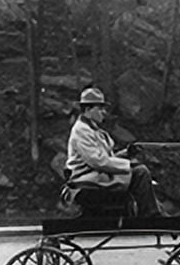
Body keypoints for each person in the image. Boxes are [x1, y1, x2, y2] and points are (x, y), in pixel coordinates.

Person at [64, 87, 163, 216]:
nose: (103, 112)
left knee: (139, 172)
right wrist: (128, 165)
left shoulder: (92, 130)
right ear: (88, 110)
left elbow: (104, 157)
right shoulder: (81, 131)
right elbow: (98, 162)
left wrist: (126, 154)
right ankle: (151, 216)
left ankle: (152, 214)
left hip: (98, 176)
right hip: (86, 179)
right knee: (140, 172)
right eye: (99, 109)